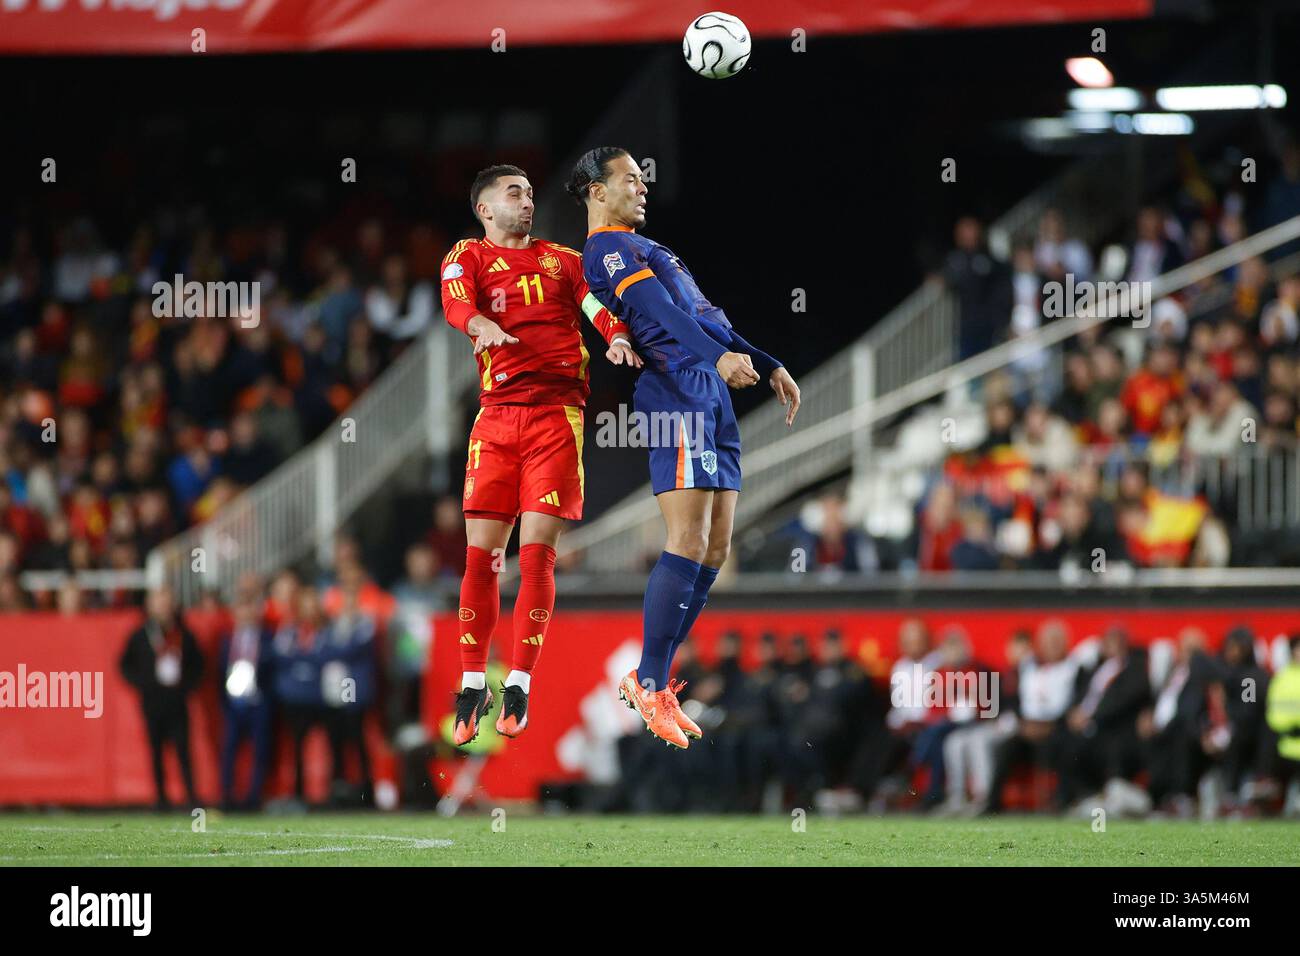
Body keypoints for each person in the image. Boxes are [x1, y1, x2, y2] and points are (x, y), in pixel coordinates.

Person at [568, 146, 802, 749]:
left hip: (708, 390)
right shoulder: (606, 247)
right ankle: (648, 678)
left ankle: (655, 679)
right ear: (597, 191)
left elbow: (700, 312)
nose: (642, 188)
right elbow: (655, 311)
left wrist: (767, 362)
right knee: (687, 538)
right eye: (629, 179)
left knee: (716, 547)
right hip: (675, 390)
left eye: (644, 180)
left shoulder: (650, 247)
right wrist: (715, 357)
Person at [441, 164, 640, 746]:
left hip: (557, 418)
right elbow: (457, 305)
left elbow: (593, 305)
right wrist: (481, 324)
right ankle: (473, 681)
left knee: (536, 557)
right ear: (485, 209)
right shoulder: (468, 255)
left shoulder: (563, 258)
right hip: (497, 419)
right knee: (481, 560)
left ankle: (521, 682)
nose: (528, 202)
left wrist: (618, 335)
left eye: (530, 193)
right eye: (515, 194)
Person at [119, 585, 205, 810]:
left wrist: (187, 686)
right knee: (155, 750)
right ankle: (161, 798)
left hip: (177, 701)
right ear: (150, 605)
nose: (164, 607)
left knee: (183, 750)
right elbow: (124, 665)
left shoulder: (184, 634)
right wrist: (144, 684)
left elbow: (199, 665)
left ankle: (191, 797)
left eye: (167, 601)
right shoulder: (141, 635)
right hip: (152, 701)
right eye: (160, 601)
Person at [217, 593, 275, 810]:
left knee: (260, 750)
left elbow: (272, 668)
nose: (246, 614)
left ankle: (254, 798)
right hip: (233, 703)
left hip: (258, 701)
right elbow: (220, 670)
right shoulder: (228, 639)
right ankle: (227, 797)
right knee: (229, 750)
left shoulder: (267, 638)